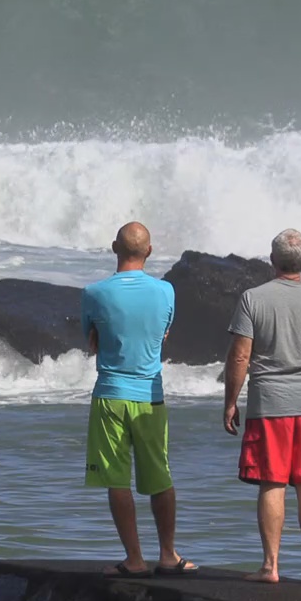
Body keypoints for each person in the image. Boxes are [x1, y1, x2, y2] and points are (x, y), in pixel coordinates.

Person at [223, 229, 301, 585]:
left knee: (272, 483)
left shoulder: (252, 299)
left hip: (268, 405)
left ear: (272, 260)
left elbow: (240, 355)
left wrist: (230, 402)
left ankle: (270, 566)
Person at [82, 222, 192, 577]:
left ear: (115, 247)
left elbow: (92, 339)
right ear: (149, 250)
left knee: (117, 480)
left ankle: (134, 559)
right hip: (150, 396)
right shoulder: (166, 291)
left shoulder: (94, 292)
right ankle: (168, 554)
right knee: (160, 477)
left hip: (110, 395)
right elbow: (165, 334)